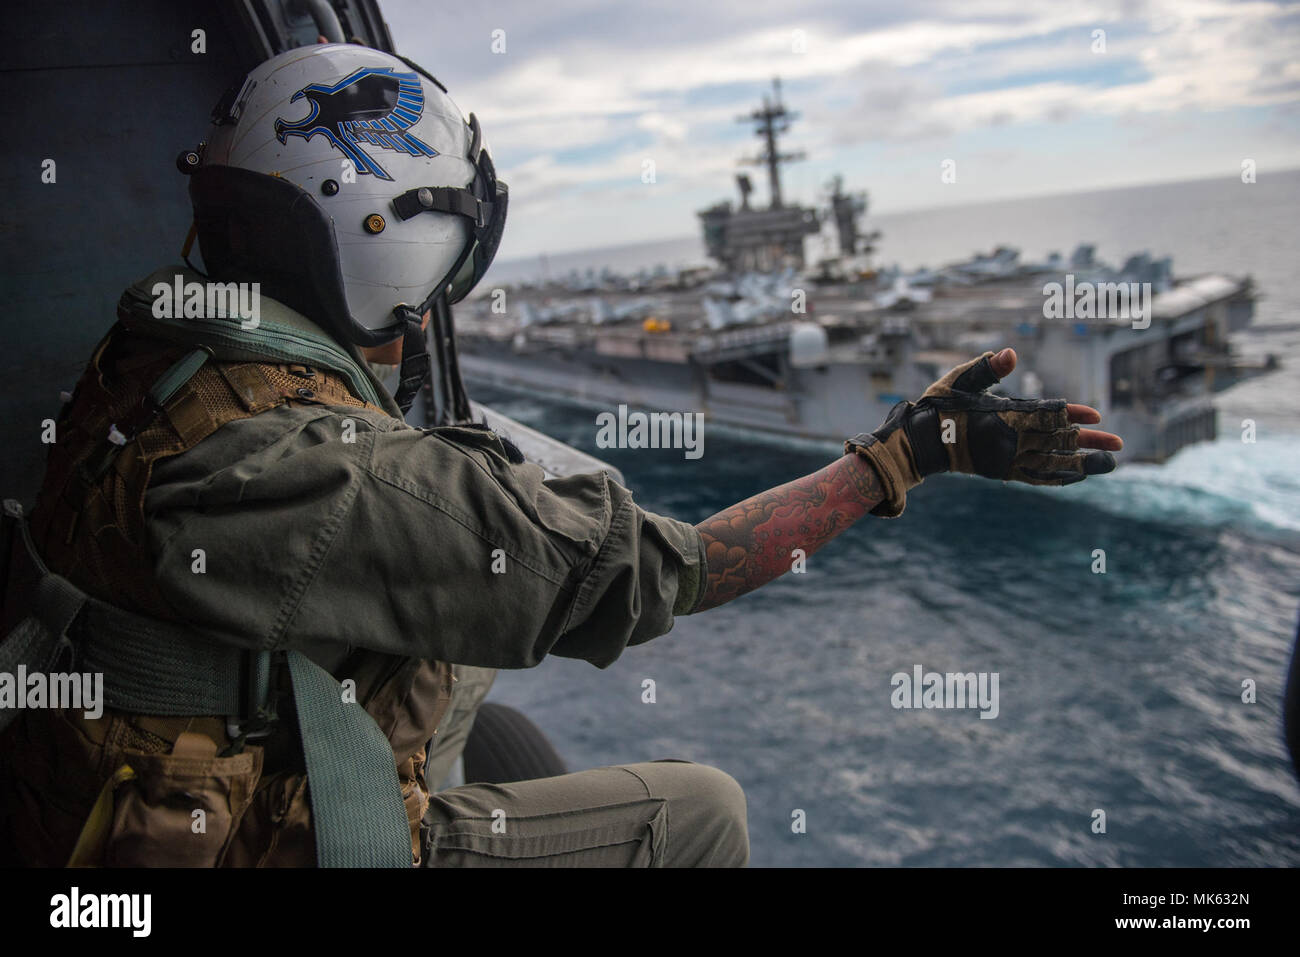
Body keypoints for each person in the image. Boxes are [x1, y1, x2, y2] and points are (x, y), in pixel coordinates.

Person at [0, 44, 1121, 868]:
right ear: (397, 245)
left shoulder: (156, 356)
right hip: (221, 835)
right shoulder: (339, 478)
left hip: (91, 772)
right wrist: (897, 460)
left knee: (484, 713)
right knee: (706, 809)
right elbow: (665, 573)